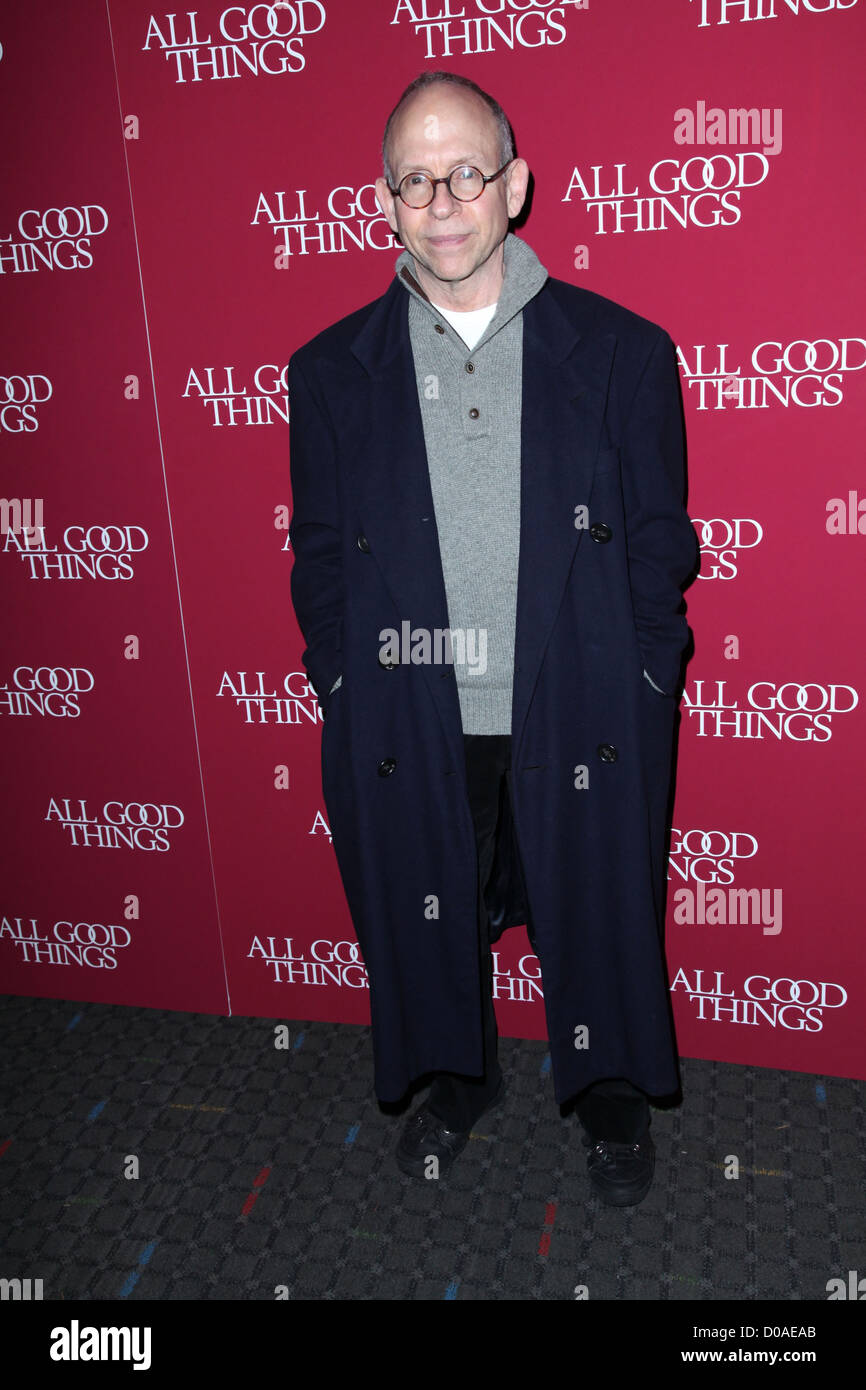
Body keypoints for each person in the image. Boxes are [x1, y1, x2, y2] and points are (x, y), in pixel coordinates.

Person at [289, 70, 698, 1206]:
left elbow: (660, 541)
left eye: (465, 171)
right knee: (424, 908)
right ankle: (455, 1080)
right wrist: (342, 678)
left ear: (511, 185)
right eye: (415, 179)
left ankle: (609, 1093)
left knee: (598, 905)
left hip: (579, 698)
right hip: (413, 709)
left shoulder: (621, 351)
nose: (443, 199)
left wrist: (645, 672)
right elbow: (318, 554)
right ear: (384, 201)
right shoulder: (326, 374)